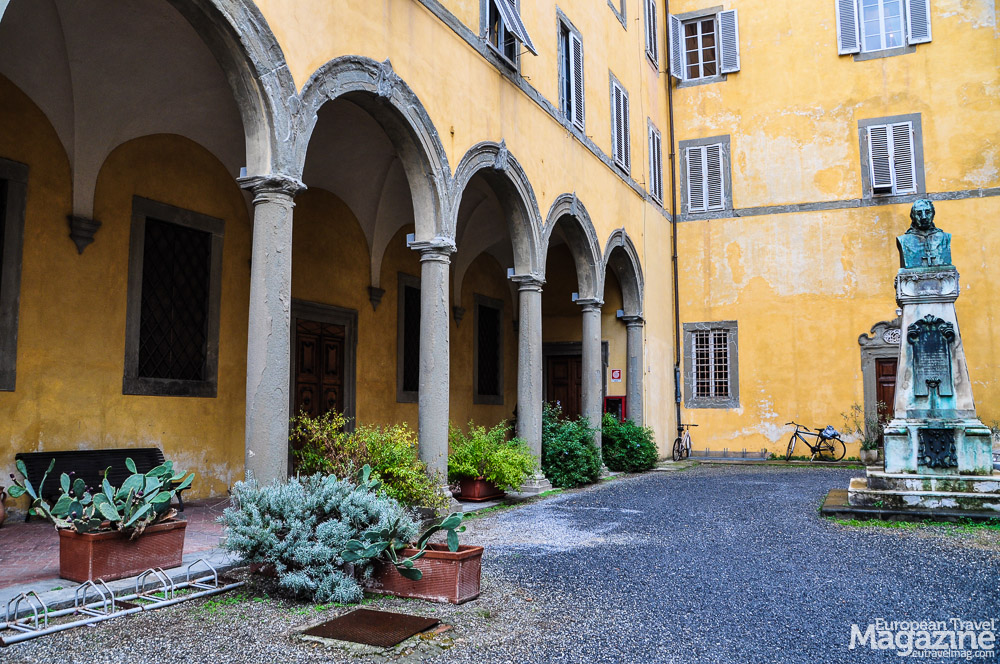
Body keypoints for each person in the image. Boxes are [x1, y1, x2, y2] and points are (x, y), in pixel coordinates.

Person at [896, 199, 951, 268]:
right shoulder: (903, 240)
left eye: (928, 212)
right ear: (912, 216)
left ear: (933, 214)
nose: (924, 217)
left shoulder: (945, 238)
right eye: (919, 213)